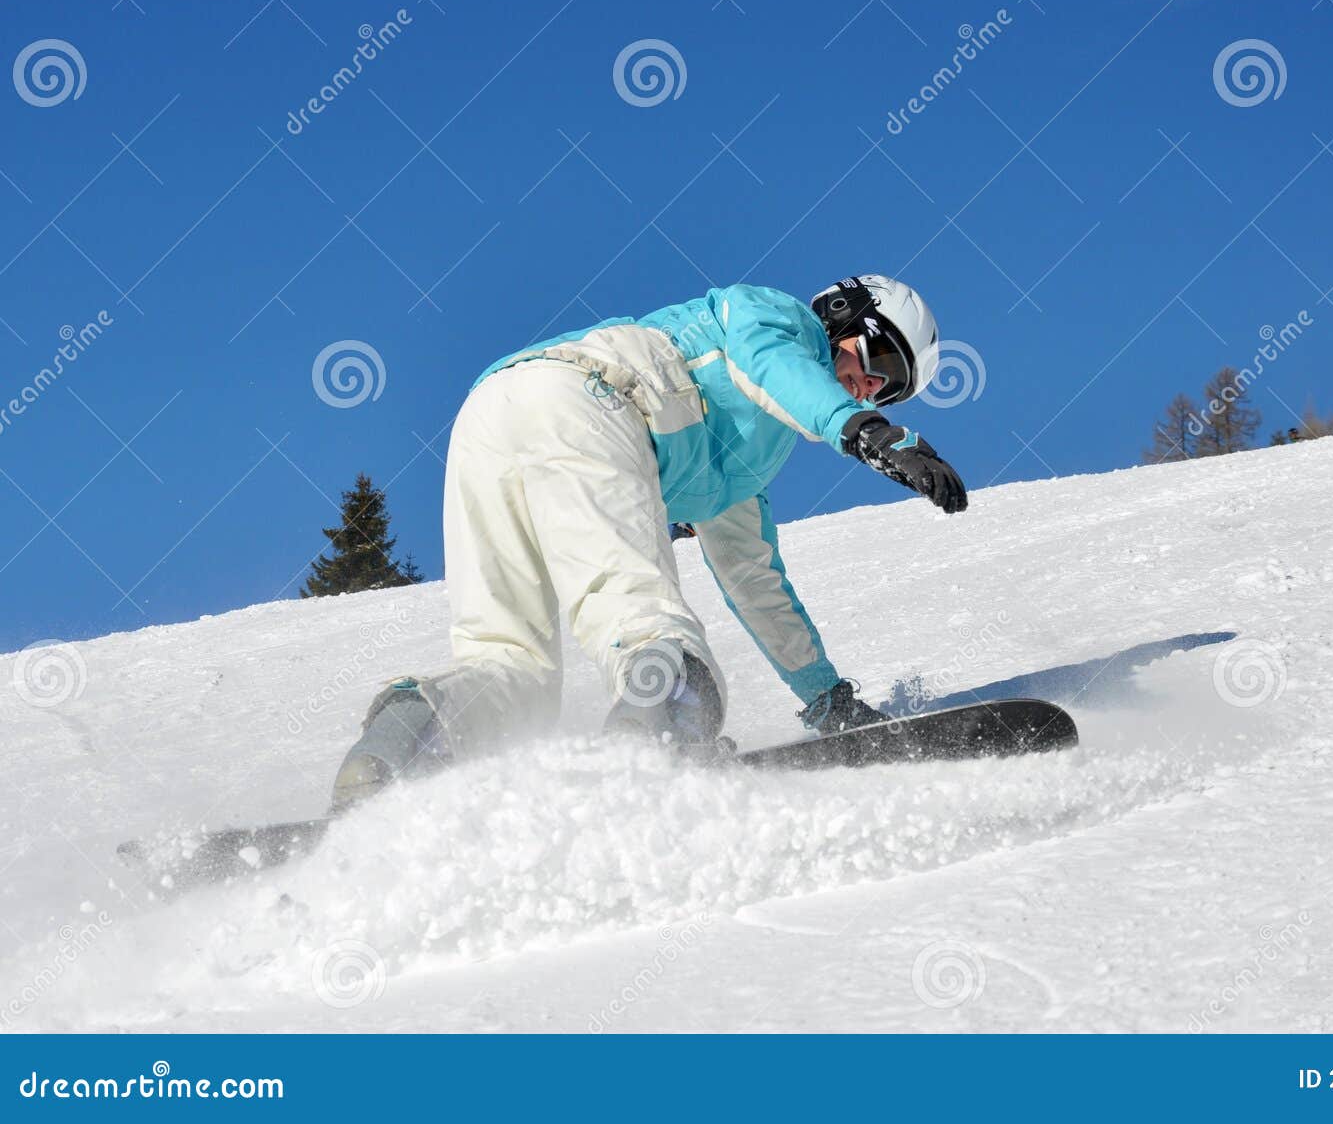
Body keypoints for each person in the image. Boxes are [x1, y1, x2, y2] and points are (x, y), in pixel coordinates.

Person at [331, 275, 968, 809]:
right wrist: (868, 431)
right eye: (882, 364)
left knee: (508, 664)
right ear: (842, 314)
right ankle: (649, 758)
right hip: (588, 398)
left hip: (489, 418)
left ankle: (393, 751)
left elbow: (754, 579)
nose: (873, 388)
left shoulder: (747, 459)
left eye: (890, 390)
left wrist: (826, 699)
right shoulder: (776, 320)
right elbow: (774, 366)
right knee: (650, 629)